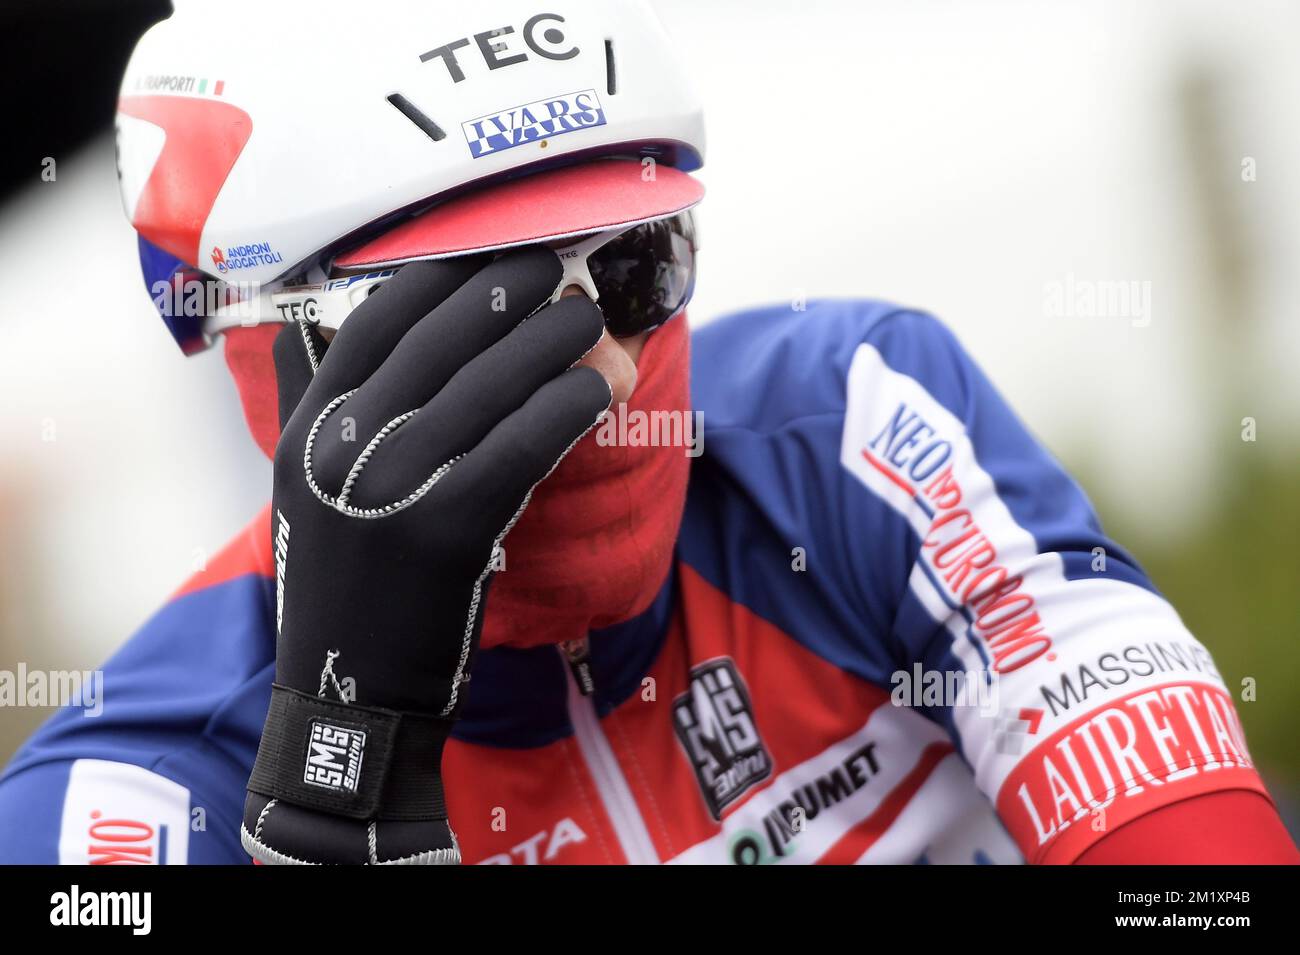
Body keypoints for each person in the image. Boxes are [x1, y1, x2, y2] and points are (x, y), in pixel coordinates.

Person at [1, 0, 1296, 865]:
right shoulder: (113, 805)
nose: (603, 369)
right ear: (246, 341)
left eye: (632, 265)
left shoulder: (853, 430)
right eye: (457, 322)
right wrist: (339, 793)